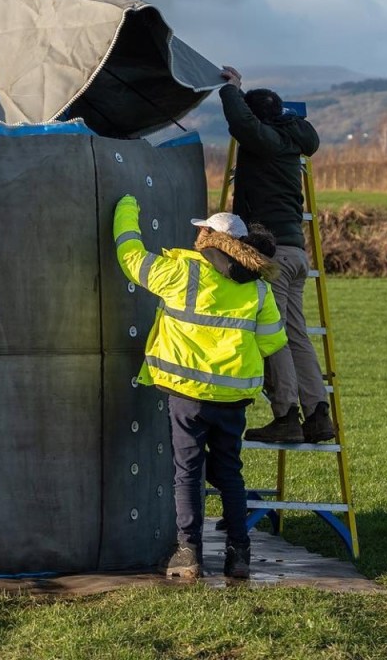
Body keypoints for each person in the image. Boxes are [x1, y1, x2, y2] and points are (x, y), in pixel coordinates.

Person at [113, 196, 286, 580]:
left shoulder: (180, 273)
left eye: (201, 230)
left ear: (209, 237)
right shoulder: (258, 288)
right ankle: (239, 555)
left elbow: (131, 257)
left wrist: (126, 209)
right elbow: (273, 341)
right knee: (230, 473)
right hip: (234, 397)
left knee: (187, 472)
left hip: (188, 395)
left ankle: (188, 554)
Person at [218, 65, 336, 444]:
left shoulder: (262, 140)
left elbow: (241, 123)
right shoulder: (291, 136)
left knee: (276, 337)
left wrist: (232, 90)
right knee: (297, 335)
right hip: (297, 254)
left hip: (275, 257)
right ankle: (318, 414)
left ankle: (285, 414)